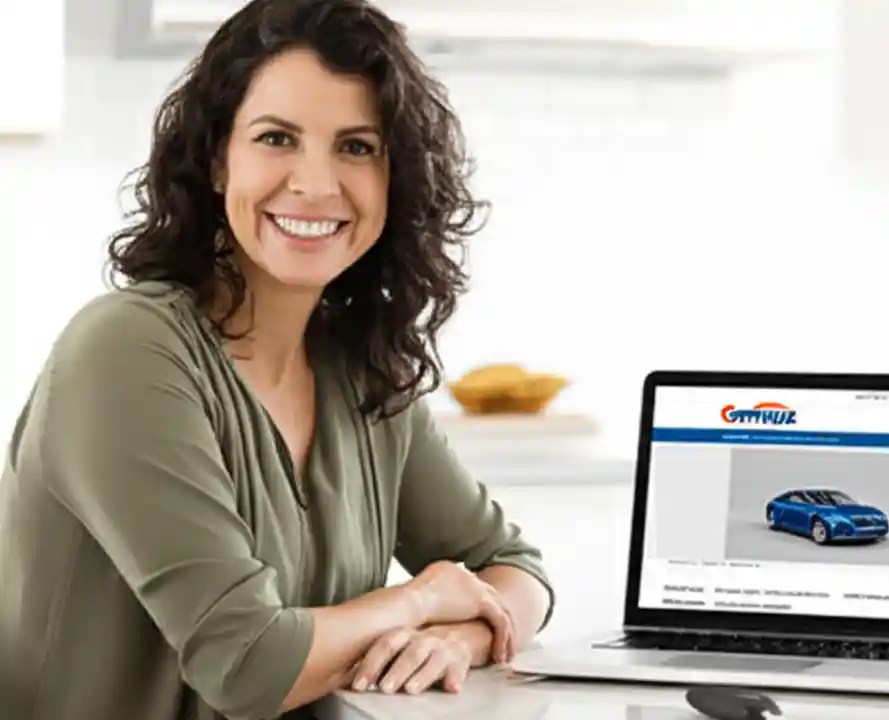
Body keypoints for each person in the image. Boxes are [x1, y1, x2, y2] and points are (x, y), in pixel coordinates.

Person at [0, 1, 553, 718]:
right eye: (276, 138)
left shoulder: (363, 372)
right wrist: (419, 600)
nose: (316, 185)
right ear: (217, 161)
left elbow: (515, 569)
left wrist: (463, 635)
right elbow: (246, 664)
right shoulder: (124, 352)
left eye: (357, 147)